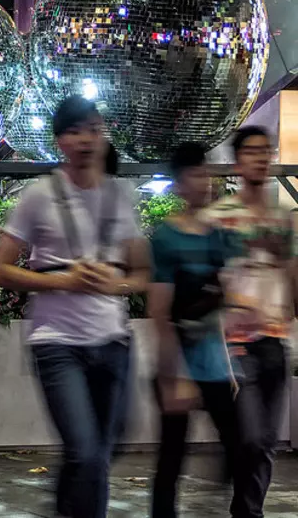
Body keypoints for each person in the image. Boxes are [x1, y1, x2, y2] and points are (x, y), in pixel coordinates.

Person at [0, 96, 149, 518]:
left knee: (102, 449)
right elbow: (0, 270)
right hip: (56, 342)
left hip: (113, 342)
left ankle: (66, 507)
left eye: (93, 130)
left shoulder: (120, 196)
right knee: (88, 453)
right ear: (60, 140)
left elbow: (144, 273)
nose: (85, 140)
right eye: (75, 131)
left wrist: (118, 285)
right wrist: (62, 281)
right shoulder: (39, 196)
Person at [205, 125, 294, 518]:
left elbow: (291, 281)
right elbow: (205, 280)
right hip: (235, 344)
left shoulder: (281, 219)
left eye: (266, 151)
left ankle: (246, 511)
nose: (261, 158)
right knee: (253, 436)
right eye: (253, 151)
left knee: (266, 442)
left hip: (276, 340)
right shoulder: (221, 217)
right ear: (238, 162)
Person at [148, 143, 241, 518]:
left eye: (206, 173)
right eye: (195, 175)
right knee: (172, 454)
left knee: (238, 447)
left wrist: (229, 366)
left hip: (214, 363)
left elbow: (222, 301)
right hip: (177, 364)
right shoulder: (166, 239)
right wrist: (175, 378)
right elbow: (159, 312)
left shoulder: (218, 236)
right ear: (178, 183)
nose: (204, 182)